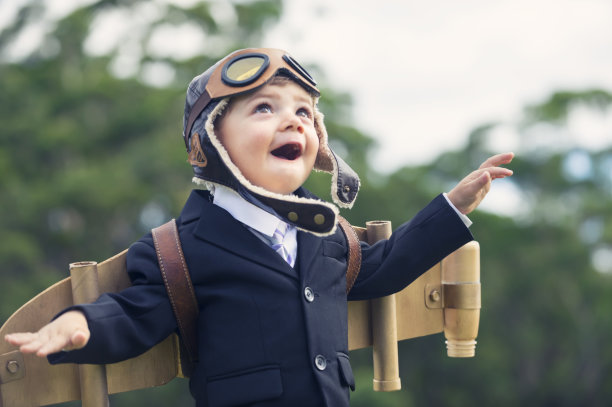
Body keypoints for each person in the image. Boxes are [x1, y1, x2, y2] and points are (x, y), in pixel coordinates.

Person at [5, 48, 514, 407]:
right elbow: (135, 313)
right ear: (211, 142)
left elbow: (381, 270)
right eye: (264, 108)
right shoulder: (183, 248)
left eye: (304, 113)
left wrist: (453, 205)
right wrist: (80, 326)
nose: (293, 121)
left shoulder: (327, 232)